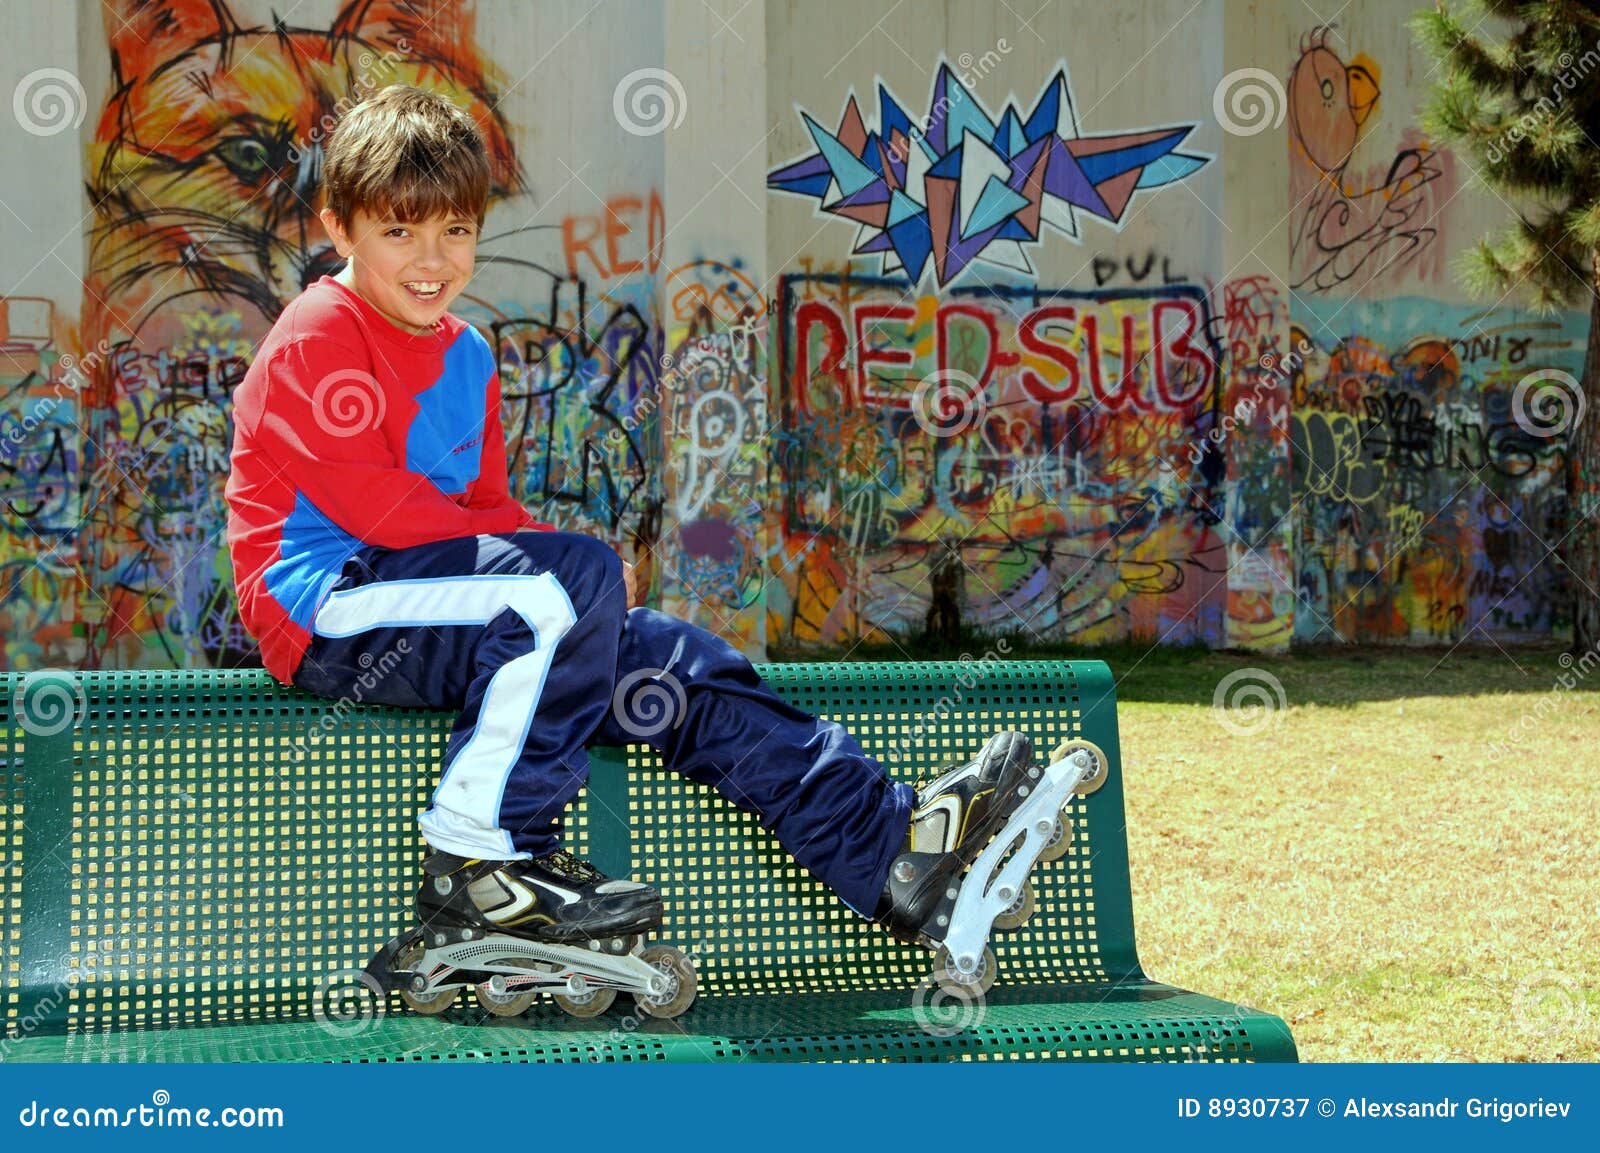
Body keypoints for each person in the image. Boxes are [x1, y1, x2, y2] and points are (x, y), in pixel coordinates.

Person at [224, 85, 1037, 968]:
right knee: (564, 585)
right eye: (399, 232)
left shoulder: (467, 354)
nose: (433, 259)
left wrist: (585, 581)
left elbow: (485, 514)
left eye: (455, 230)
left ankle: (888, 845)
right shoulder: (318, 330)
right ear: (339, 228)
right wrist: (572, 577)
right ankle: (482, 865)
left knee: (673, 661)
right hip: (327, 605)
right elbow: (376, 511)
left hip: (447, 608)